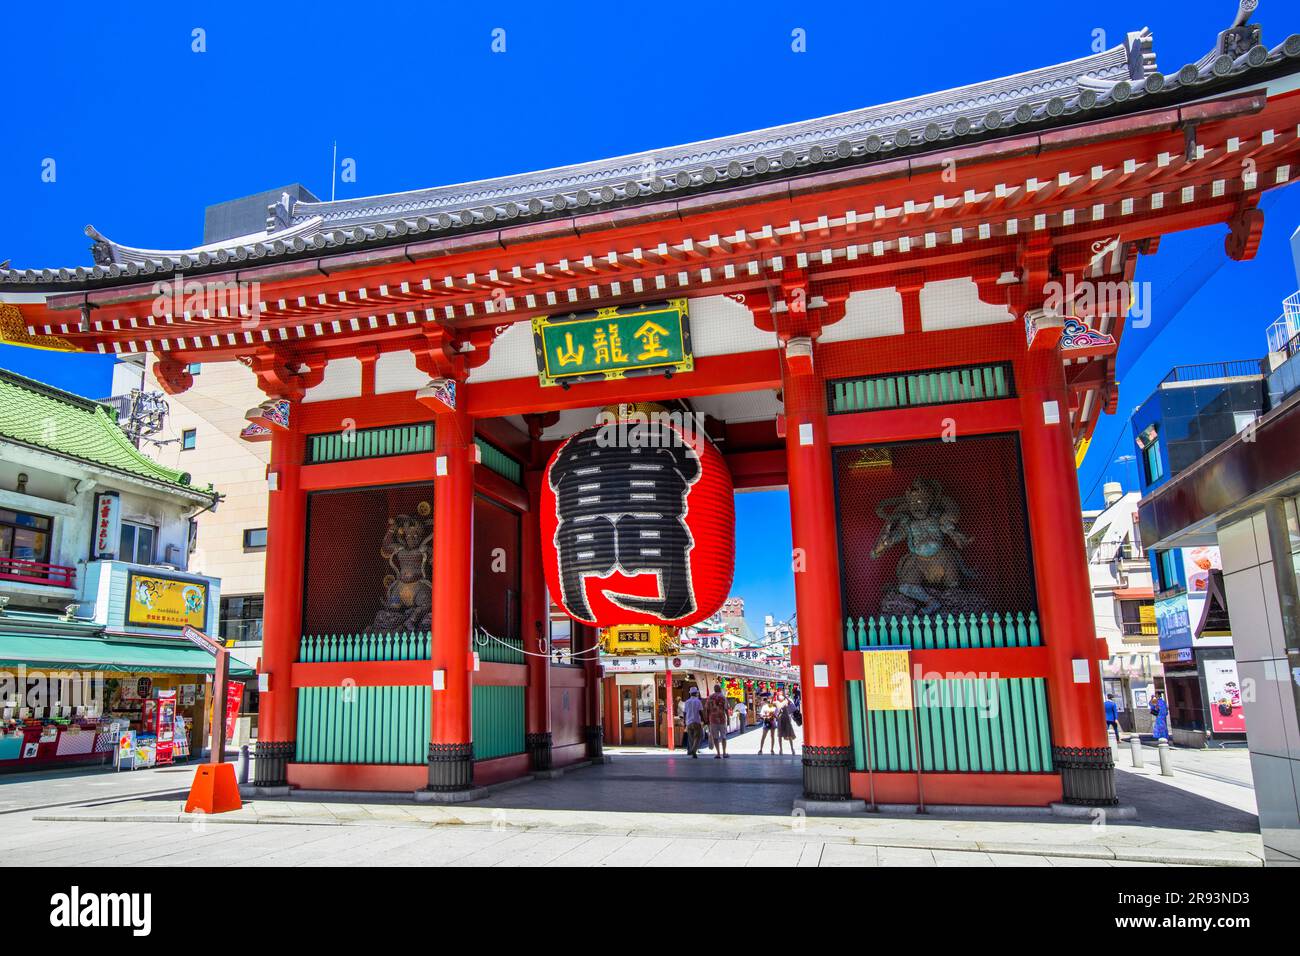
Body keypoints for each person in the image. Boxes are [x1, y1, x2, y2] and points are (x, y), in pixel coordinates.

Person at [705, 682, 730, 758]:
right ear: (720, 689)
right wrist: (728, 718)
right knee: (723, 736)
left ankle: (718, 753)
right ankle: (724, 753)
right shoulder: (723, 697)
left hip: (713, 719)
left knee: (715, 737)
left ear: (714, 690)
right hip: (722, 719)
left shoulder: (710, 697)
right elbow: (726, 709)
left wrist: (707, 718)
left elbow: (707, 709)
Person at [681, 686, 705, 758]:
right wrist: (703, 720)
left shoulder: (687, 702)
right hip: (696, 721)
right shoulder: (698, 701)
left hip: (689, 722)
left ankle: (692, 750)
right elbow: (700, 711)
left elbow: (684, 712)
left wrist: (685, 722)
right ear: (696, 693)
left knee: (691, 738)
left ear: (690, 694)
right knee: (698, 737)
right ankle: (694, 751)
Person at [773, 688, 797, 755]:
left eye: (781, 693)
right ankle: (781, 749)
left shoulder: (787, 701)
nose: (780, 694)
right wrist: (777, 717)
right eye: (779, 693)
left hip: (787, 720)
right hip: (780, 720)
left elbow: (793, 708)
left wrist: (786, 698)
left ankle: (792, 749)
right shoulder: (777, 702)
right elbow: (775, 712)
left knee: (789, 735)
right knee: (780, 735)